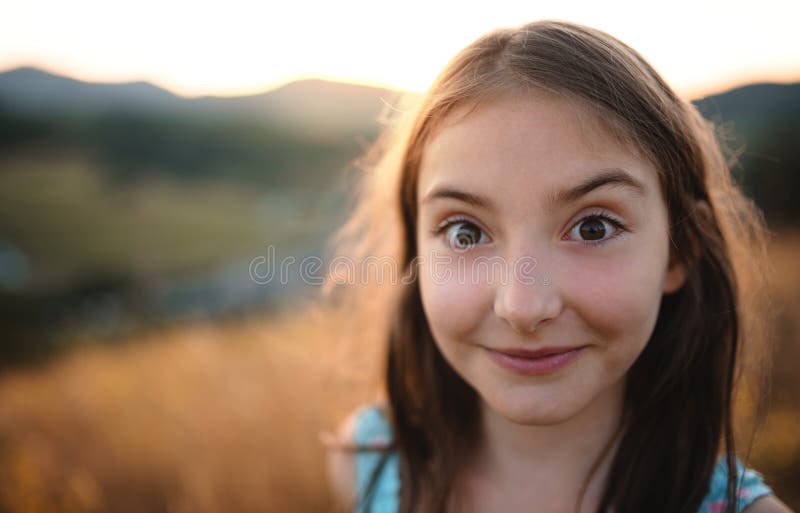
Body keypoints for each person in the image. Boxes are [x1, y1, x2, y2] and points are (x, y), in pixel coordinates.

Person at [319, 19, 794, 513]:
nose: (522, 307)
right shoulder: (371, 462)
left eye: (593, 228)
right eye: (466, 232)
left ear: (679, 249)